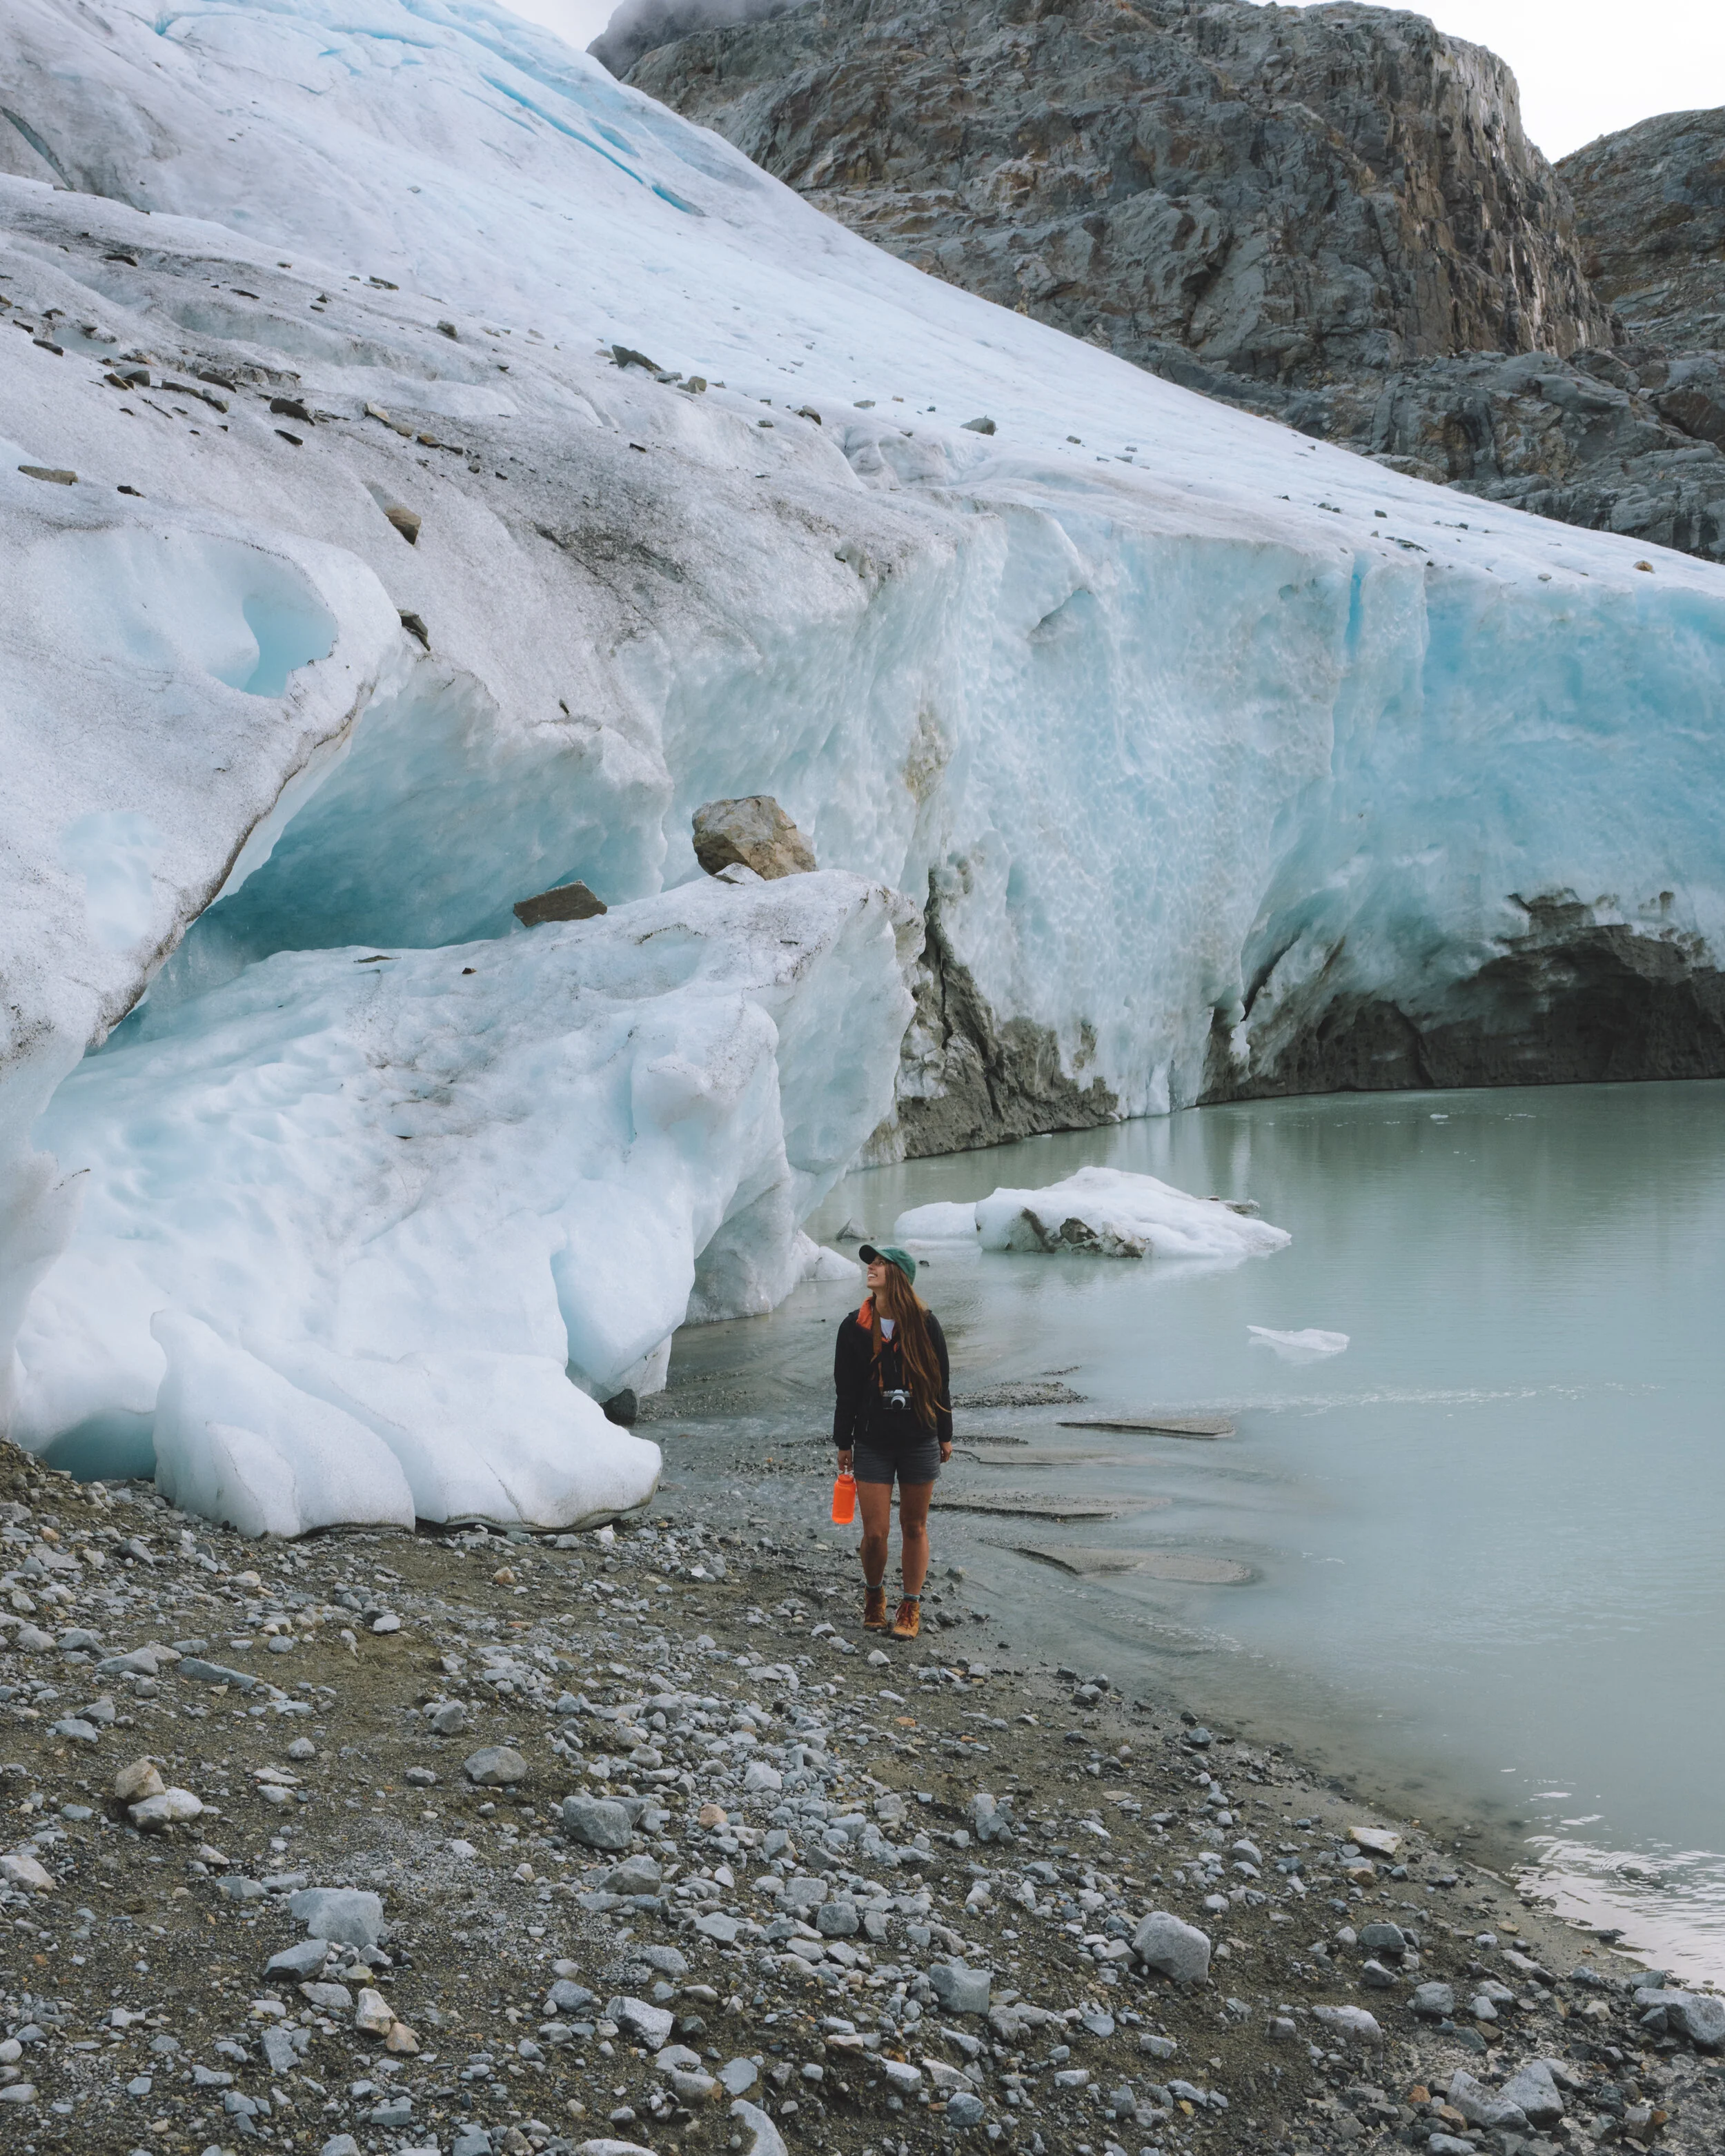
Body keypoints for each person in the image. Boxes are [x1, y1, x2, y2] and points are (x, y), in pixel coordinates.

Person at [832, 1243, 953, 1640]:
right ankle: (874, 1596)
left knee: (914, 1526)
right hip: (872, 1441)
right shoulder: (854, 1327)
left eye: (881, 1264)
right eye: (872, 1262)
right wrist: (843, 1441)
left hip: (919, 1436)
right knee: (875, 1532)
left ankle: (910, 1605)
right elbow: (845, 1391)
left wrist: (945, 1434)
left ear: (898, 1276)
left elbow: (940, 1383)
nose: (872, 1267)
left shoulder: (924, 1323)